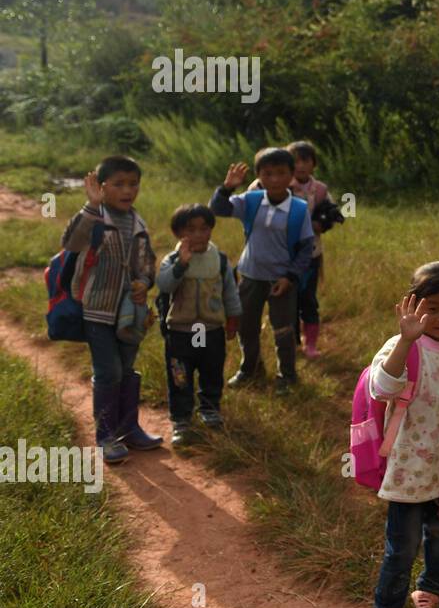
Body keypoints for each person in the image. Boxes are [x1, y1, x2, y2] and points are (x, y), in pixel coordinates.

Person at [356, 262, 439, 608]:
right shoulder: (404, 348)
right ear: (412, 305)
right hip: (408, 470)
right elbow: (381, 388)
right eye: (433, 307)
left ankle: (431, 590)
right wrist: (407, 340)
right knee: (403, 546)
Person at [60, 156, 161, 463]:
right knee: (109, 371)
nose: (127, 190)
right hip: (97, 310)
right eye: (118, 184)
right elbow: (72, 244)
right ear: (102, 188)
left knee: (127, 369)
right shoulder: (95, 218)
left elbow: (146, 264)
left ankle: (129, 428)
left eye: (133, 184)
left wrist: (144, 282)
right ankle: (106, 435)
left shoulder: (138, 223)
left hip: (130, 313)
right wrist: (91, 206)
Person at [209, 149, 314, 394]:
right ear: (258, 176)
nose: (275, 179)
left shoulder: (299, 209)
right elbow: (218, 208)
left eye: (281, 173)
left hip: (282, 281)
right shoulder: (251, 201)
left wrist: (289, 277)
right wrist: (226, 188)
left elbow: (305, 248)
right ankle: (251, 370)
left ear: (291, 176)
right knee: (246, 326)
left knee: (284, 330)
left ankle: (286, 376)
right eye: (268, 174)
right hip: (251, 275)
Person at [155, 204, 242, 446]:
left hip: (209, 330)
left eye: (204, 229)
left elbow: (230, 292)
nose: (198, 235)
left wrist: (233, 318)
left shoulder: (220, 260)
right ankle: (182, 420)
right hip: (181, 332)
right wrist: (181, 265)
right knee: (180, 376)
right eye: (190, 230)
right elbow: (164, 285)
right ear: (178, 234)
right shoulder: (172, 260)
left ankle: (210, 410)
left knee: (211, 370)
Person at [247, 140, 340, 358]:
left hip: (310, 254)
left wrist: (321, 224)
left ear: (313, 164)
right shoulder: (273, 185)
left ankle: (311, 344)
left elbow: (333, 214)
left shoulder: (320, 190)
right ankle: (291, 342)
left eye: (305, 160)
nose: (300, 166)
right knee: (284, 301)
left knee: (308, 299)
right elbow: (251, 198)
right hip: (278, 257)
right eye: (295, 161)